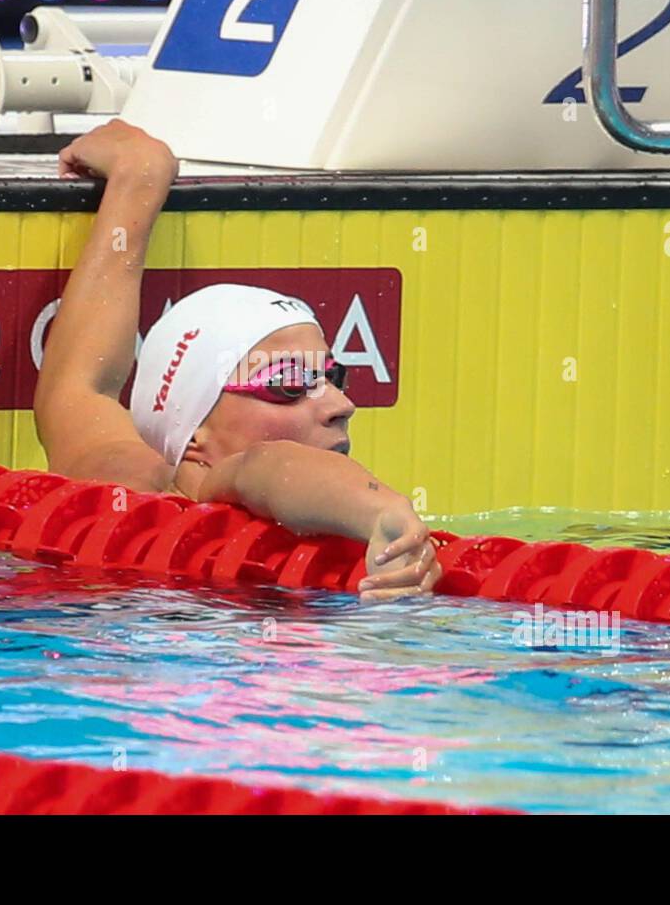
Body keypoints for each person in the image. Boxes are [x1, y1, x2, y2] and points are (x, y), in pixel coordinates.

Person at [34, 120, 440, 603]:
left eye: (332, 377)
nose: (341, 403)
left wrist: (140, 173)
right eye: (289, 383)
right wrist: (382, 512)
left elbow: (76, 389)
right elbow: (266, 469)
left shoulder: (120, 496)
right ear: (195, 437)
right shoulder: (210, 482)